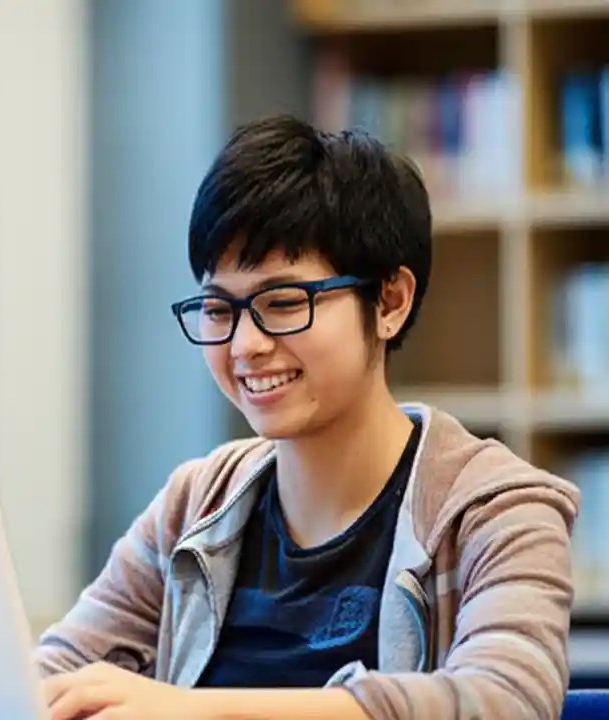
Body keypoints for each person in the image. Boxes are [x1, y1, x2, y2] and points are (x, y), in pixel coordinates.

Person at [35, 115, 580, 720]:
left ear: (390, 301)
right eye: (219, 309)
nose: (245, 344)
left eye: (283, 303)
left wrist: (200, 712)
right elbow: (50, 674)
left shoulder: (494, 510)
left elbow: (505, 700)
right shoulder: (195, 503)